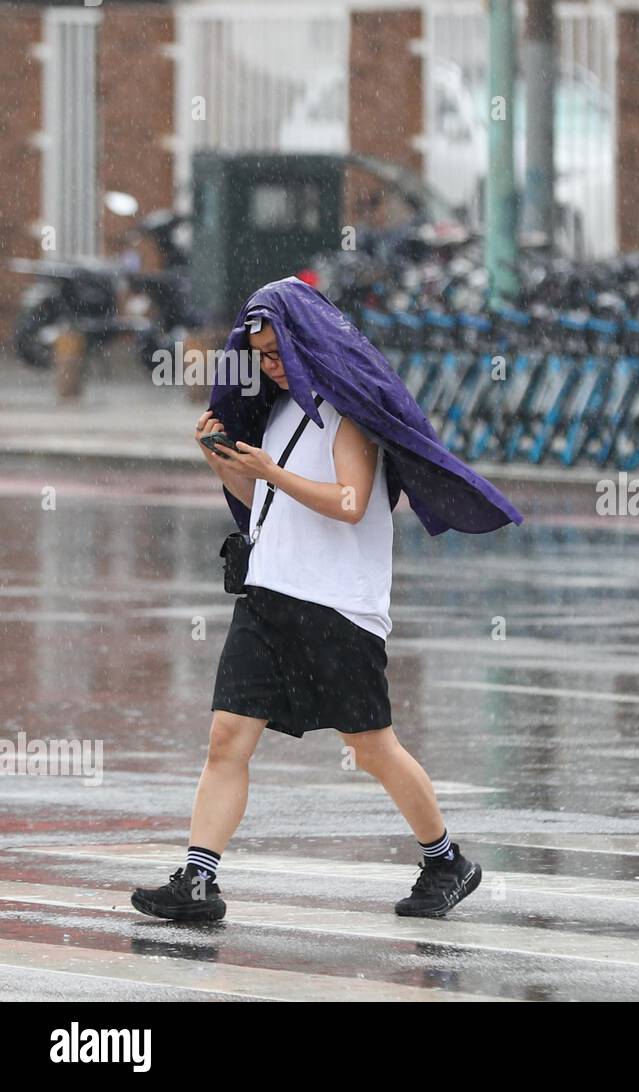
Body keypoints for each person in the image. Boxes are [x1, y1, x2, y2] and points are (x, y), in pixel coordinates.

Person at [131, 278, 521, 923]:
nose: (269, 367)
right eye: (259, 356)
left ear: (304, 342)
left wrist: (269, 471)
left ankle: (446, 859)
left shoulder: (347, 415)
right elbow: (266, 502)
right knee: (227, 737)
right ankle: (199, 880)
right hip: (269, 593)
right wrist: (218, 458)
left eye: (277, 353)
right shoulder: (280, 413)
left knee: (371, 747)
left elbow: (349, 503)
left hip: (337, 606)